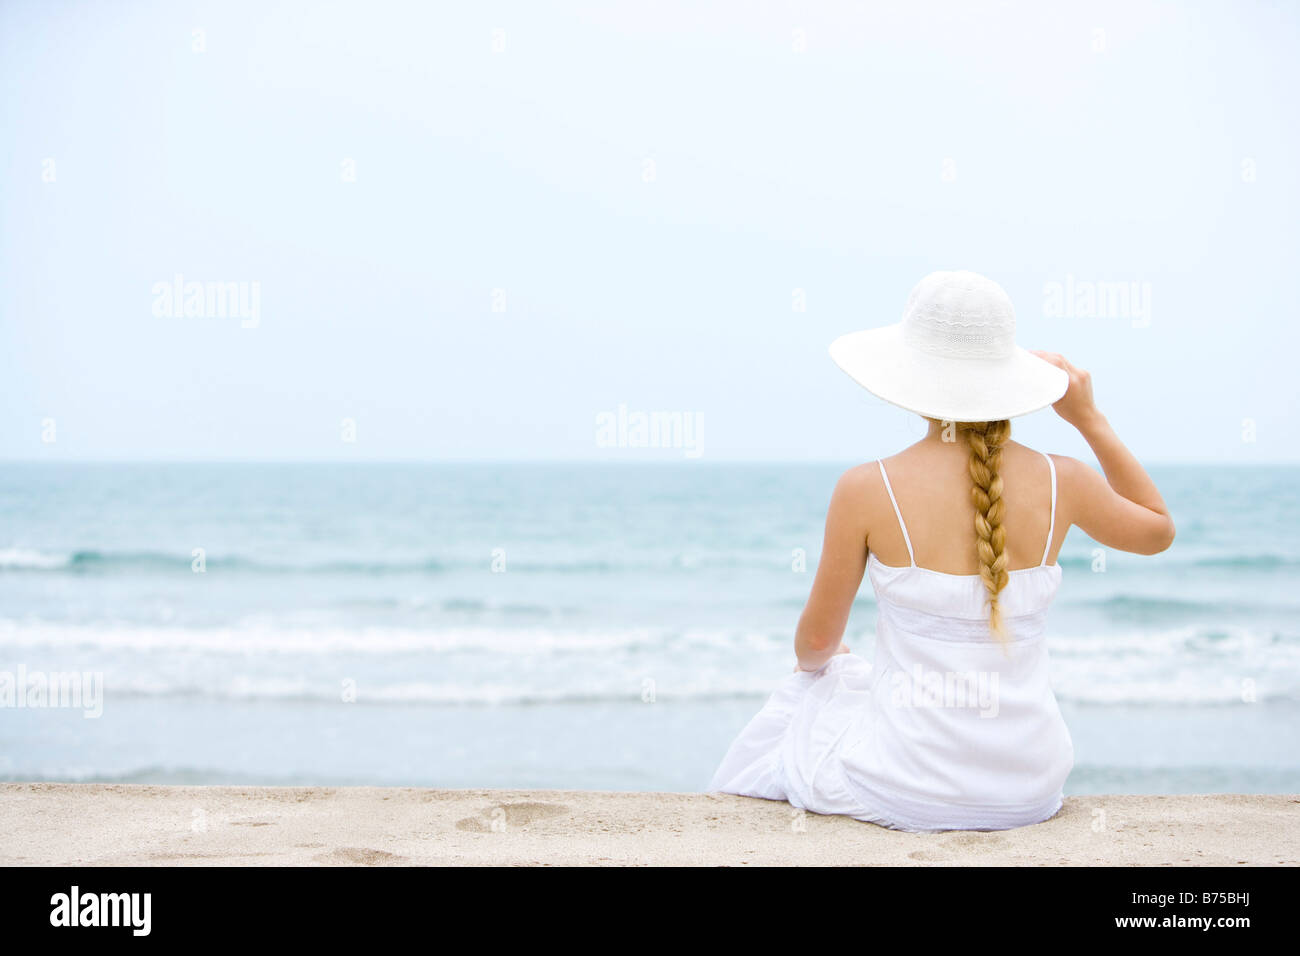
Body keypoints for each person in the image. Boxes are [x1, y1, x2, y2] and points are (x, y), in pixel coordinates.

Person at [708, 270, 1175, 832]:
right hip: (1028, 791)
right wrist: (1089, 419)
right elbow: (1157, 531)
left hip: (905, 788)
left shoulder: (866, 487)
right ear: (1010, 380)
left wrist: (822, 666)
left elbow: (814, 643)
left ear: (910, 377)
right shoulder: (1064, 481)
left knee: (822, 687)